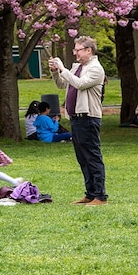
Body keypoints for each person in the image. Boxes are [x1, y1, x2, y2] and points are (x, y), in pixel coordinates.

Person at [49, 36, 108, 206]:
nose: (75, 53)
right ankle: (90, 194)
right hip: (76, 119)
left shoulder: (96, 69)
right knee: (82, 158)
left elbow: (80, 84)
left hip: (88, 118)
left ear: (88, 50)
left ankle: (100, 196)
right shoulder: (77, 67)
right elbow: (62, 84)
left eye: (78, 50)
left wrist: (63, 68)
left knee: (92, 157)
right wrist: (55, 71)